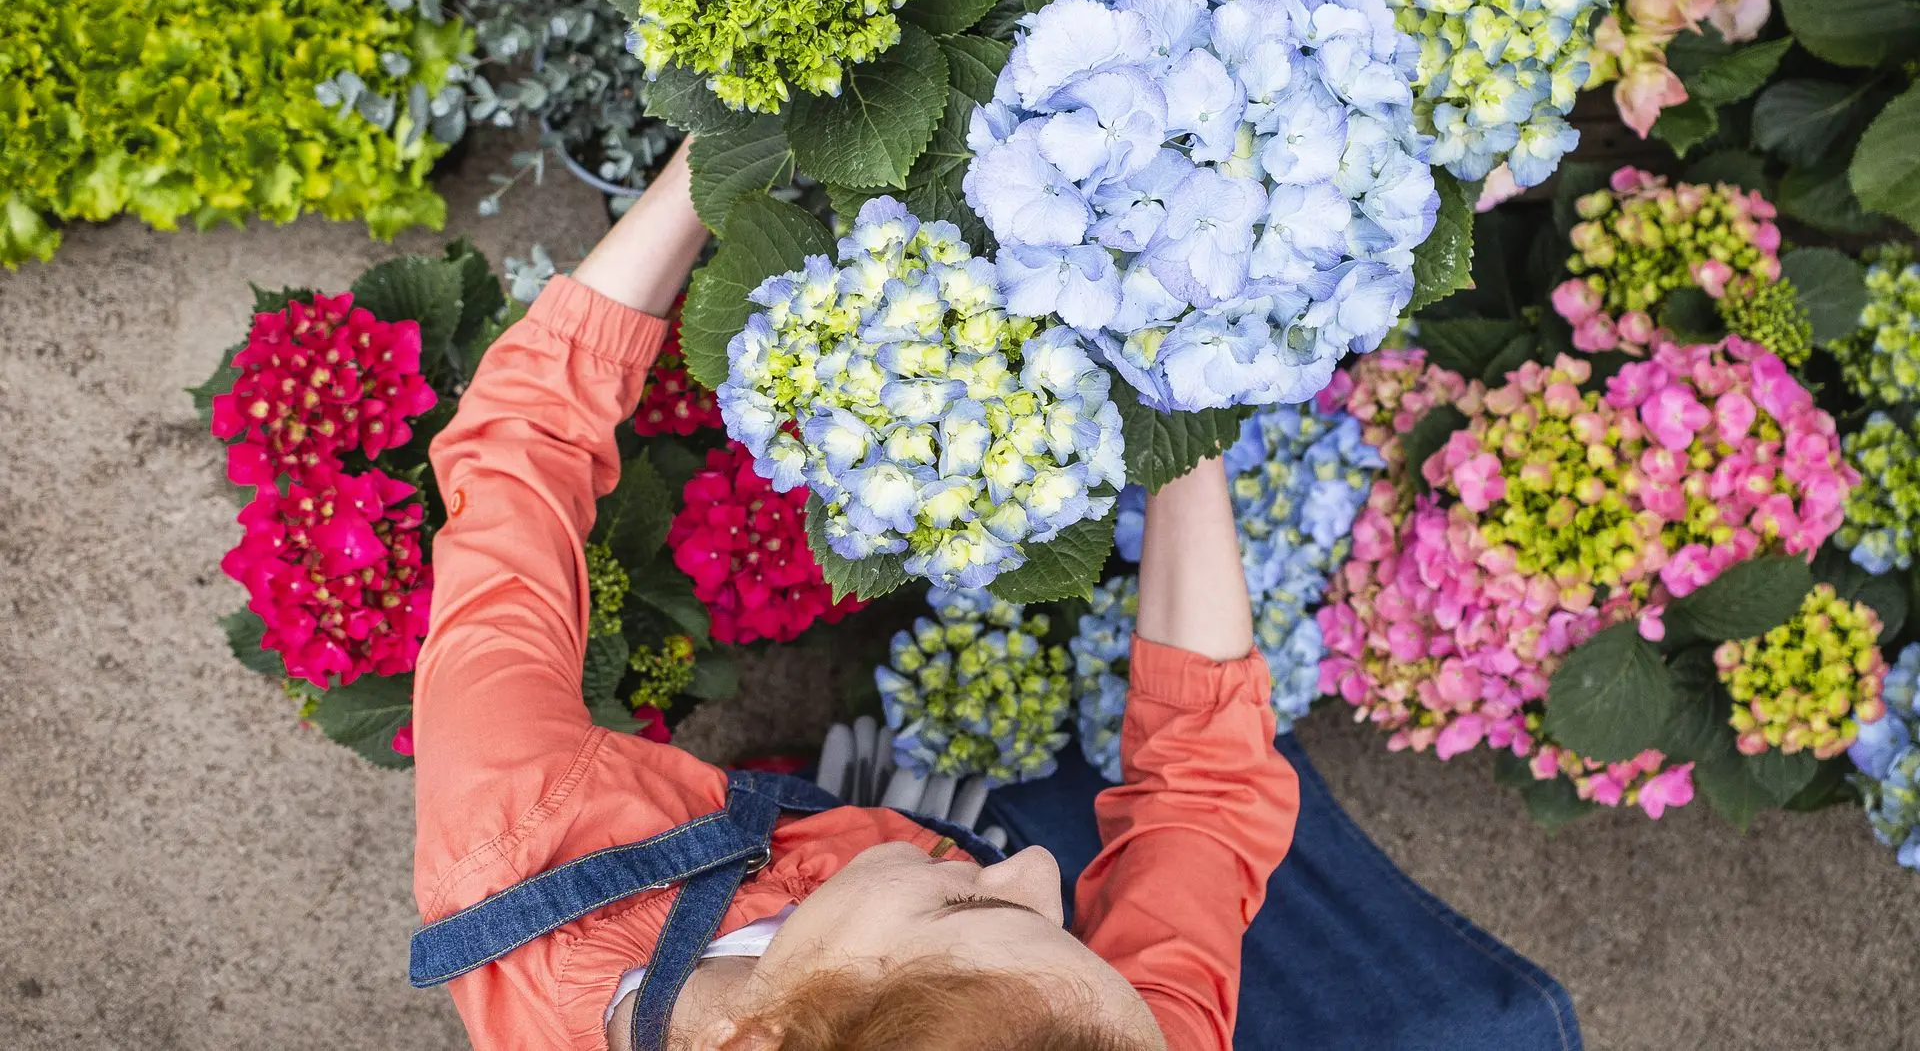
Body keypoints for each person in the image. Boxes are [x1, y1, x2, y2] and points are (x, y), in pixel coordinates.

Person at [408, 140, 1583, 1051]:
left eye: (979, 912)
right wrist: (1188, 399)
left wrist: (717, 165)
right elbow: (1204, 799)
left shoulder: (518, 834)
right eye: (1070, 934)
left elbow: (520, 453)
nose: (1033, 869)